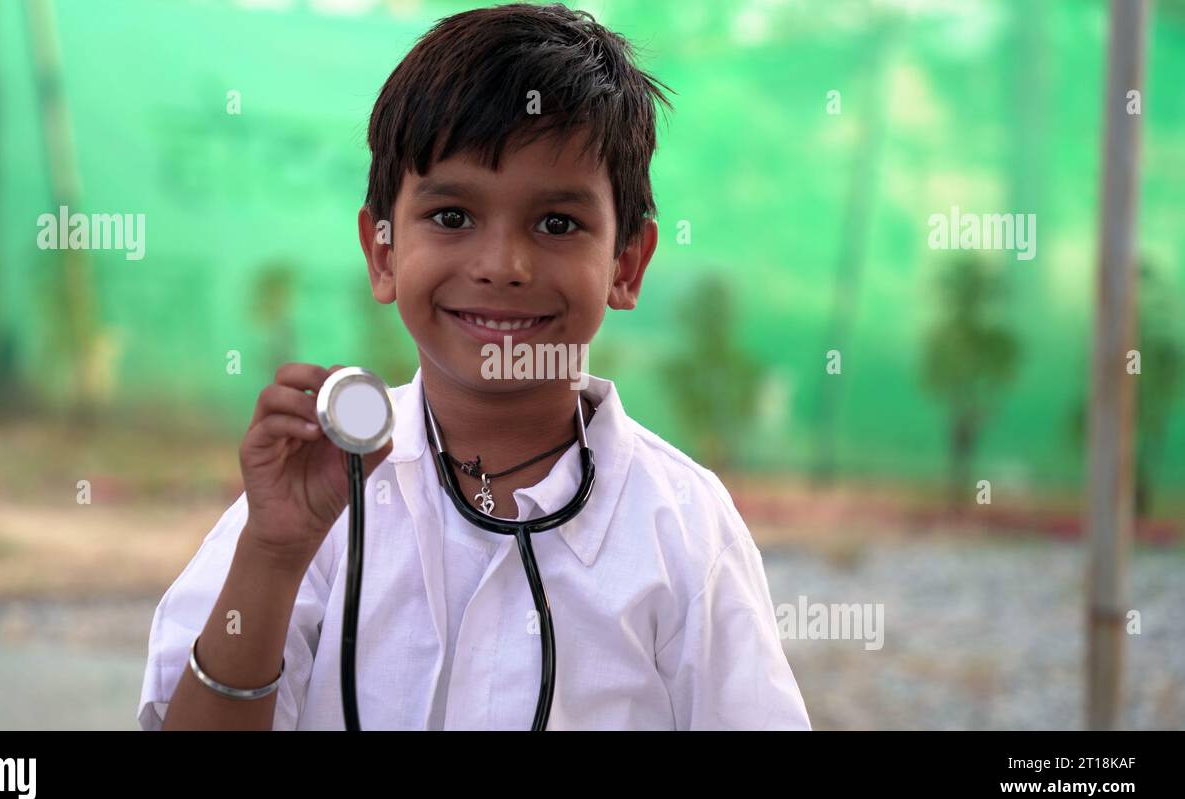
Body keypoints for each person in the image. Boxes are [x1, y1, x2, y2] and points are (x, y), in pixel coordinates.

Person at [139, 2, 809, 731]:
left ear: (626, 264)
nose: (502, 266)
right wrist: (273, 552)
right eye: (452, 216)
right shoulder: (324, 494)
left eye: (558, 223)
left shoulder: (680, 527)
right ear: (384, 251)